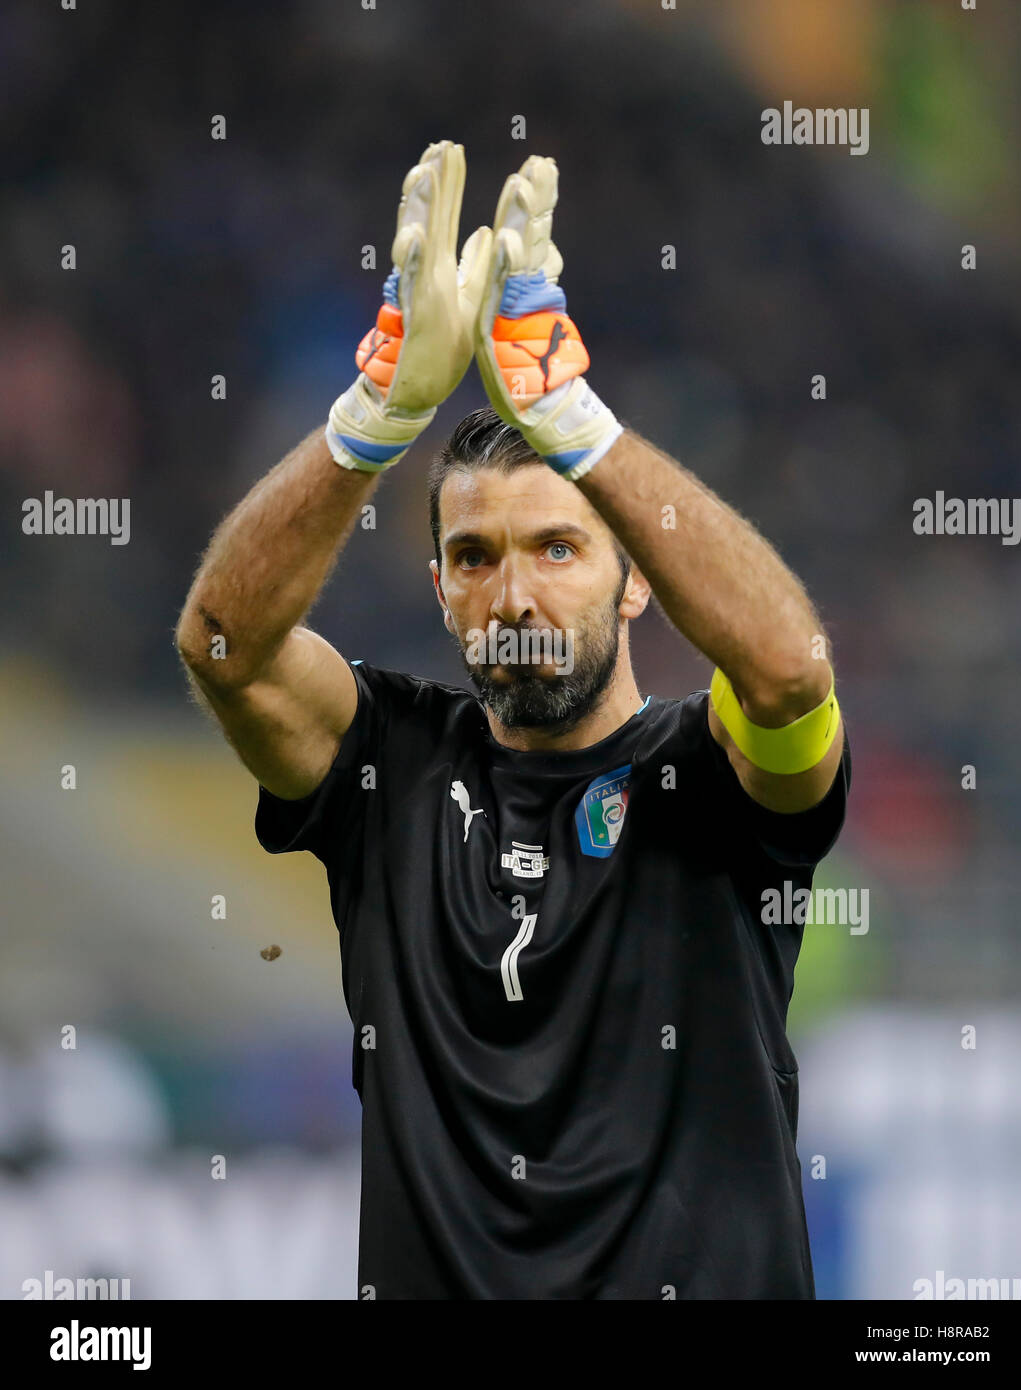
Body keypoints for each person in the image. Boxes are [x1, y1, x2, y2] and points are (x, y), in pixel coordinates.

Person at [175, 141, 850, 1299]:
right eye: (474, 557)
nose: (515, 592)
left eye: (557, 546)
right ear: (439, 588)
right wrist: (372, 418)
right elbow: (225, 648)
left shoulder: (715, 779)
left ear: (637, 578)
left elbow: (790, 672)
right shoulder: (387, 764)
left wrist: (573, 420)